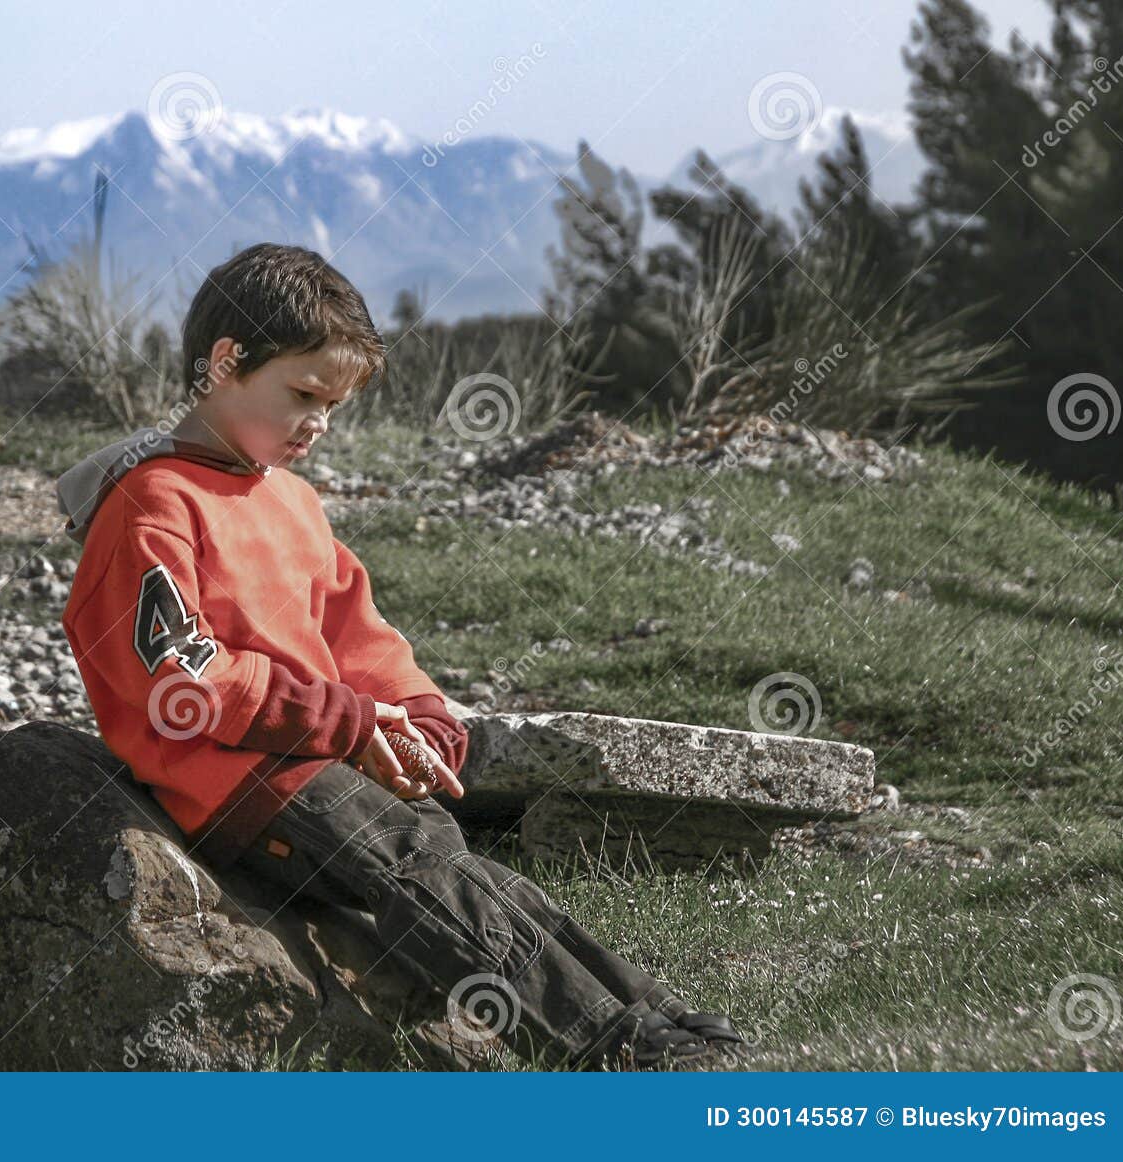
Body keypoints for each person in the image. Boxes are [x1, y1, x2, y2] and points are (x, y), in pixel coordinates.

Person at [56, 242, 747, 1070]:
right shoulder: (152, 504)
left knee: (464, 871)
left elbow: (358, 634)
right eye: (305, 394)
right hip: (248, 782)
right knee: (423, 875)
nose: (319, 422)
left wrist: (418, 714)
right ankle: (611, 1050)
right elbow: (180, 678)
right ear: (226, 363)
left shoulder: (293, 501)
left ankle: (652, 1015)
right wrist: (346, 723)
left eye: (336, 405)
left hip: (327, 759)